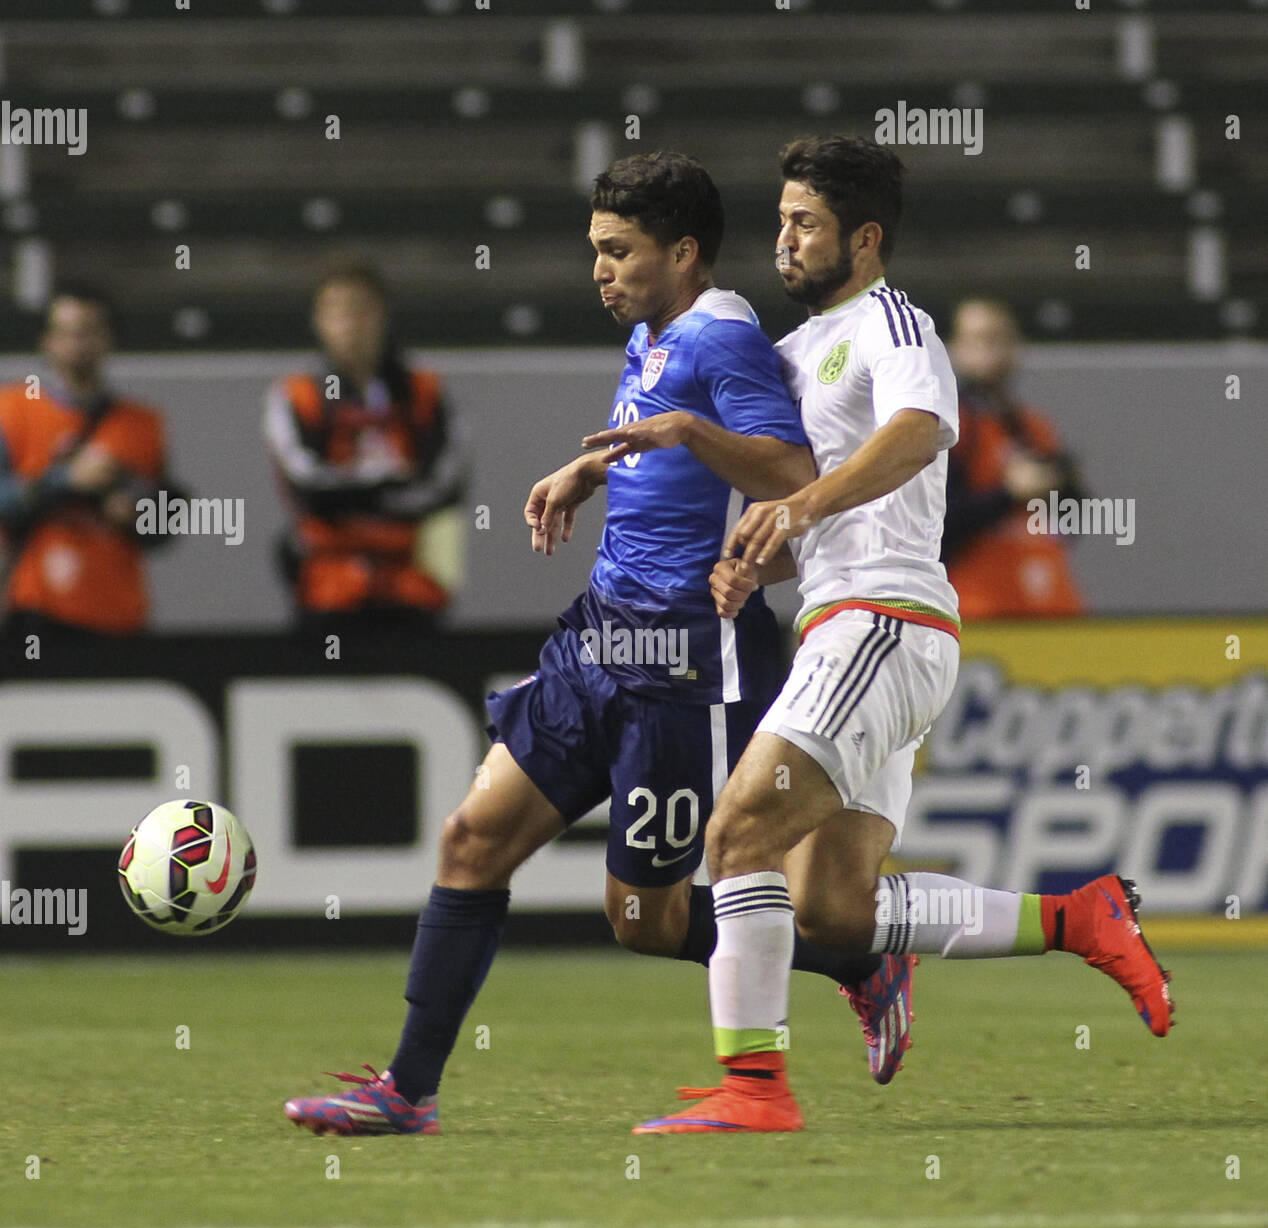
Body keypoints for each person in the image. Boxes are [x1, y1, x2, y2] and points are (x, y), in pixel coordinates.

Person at [284, 151, 891, 1138]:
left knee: (643, 921)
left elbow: (789, 469)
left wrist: (689, 431)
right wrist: (587, 470)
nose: (598, 271)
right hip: (595, 639)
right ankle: (406, 1090)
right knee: (469, 841)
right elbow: (663, 457)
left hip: (681, 667)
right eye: (594, 252)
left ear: (682, 251)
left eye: (617, 252)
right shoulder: (653, 328)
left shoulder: (723, 338)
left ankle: (856, 960)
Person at [631, 135, 1173, 1136]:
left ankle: (754, 1088)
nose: (783, 241)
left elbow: (919, 434)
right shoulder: (791, 355)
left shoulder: (893, 323)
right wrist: (761, 558)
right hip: (847, 620)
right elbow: (833, 509)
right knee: (830, 909)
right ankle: (1077, 916)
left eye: (805, 223)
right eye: (781, 220)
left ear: (863, 239)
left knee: (737, 831)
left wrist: (796, 511)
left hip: (882, 619)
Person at [264, 263, 466, 632]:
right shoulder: (296, 396)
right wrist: (389, 483)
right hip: (327, 589)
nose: (350, 324)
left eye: (360, 309)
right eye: (336, 311)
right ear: (318, 321)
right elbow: (308, 489)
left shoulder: (425, 391)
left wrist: (352, 499)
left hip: (412, 584)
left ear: (383, 316)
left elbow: (446, 486)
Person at [0, 286, 176, 637]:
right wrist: (63, 480)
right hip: (37, 604)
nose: (77, 344)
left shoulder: (140, 424)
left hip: (118, 608)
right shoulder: (12, 410)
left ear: (108, 338)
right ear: (46, 340)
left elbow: (165, 525)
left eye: (89, 332)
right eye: (66, 332)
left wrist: (135, 510)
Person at [942, 298, 1086, 618]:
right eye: (979, 339)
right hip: (979, 611)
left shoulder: (1035, 427)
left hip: (1052, 607)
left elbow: (1075, 520)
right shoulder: (950, 428)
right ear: (956, 348)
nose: (992, 350)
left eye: (1001, 338)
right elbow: (936, 526)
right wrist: (1008, 495)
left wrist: (1064, 483)